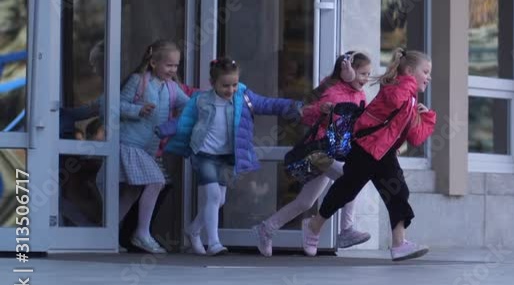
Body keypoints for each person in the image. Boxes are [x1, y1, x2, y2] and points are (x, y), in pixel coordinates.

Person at [303, 48, 436, 261]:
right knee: (346, 189)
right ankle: (314, 224)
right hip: (365, 147)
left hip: (384, 153)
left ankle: (399, 244)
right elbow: (393, 100)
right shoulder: (395, 87)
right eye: (426, 71)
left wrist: (426, 117)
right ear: (410, 71)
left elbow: (415, 138)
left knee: (398, 192)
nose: (429, 77)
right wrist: (408, 83)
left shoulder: (411, 98)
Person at [159, 57, 302, 255]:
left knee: (220, 200)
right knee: (213, 195)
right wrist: (164, 129)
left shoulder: (243, 98)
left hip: (226, 156)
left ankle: (193, 230)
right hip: (204, 154)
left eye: (234, 84)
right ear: (212, 83)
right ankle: (214, 243)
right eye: (225, 85)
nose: (230, 90)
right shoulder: (201, 100)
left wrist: (292, 106)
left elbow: (268, 104)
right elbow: (184, 120)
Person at [252, 51, 374, 257]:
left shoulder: (360, 96)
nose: (366, 79)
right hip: (320, 150)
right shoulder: (332, 91)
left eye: (368, 74)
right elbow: (306, 113)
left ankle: (267, 228)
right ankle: (344, 229)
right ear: (346, 70)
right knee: (351, 178)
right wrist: (321, 110)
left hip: (338, 151)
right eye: (362, 73)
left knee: (305, 202)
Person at [118, 40, 189, 253]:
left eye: (176, 66)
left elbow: (190, 107)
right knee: (156, 181)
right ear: (152, 62)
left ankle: (107, 233)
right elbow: (116, 105)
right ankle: (141, 233)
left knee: (131, 192)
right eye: (169, 65)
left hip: (148, 149)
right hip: (130, 144)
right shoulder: (137, 81)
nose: (173, 70)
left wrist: (174, 125)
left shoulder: (172, 88)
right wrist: (136, 110)